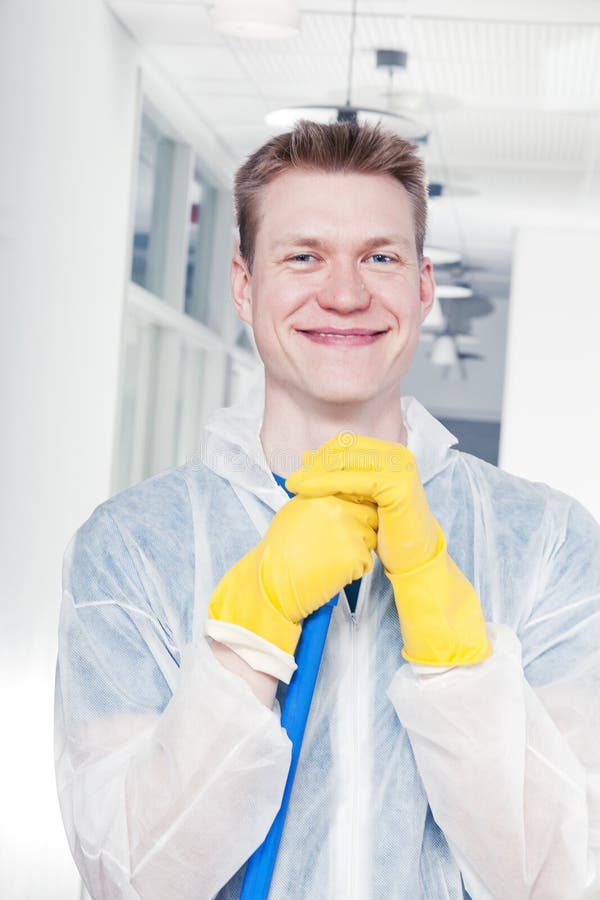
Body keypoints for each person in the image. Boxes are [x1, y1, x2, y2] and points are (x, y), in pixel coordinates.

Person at [55, 121, 600, 900]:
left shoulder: (551, 546)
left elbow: (562, 878)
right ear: (244, 284)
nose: (345, 294)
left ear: (422, 287)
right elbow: (129, 879)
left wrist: (458, 659)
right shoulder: (129, 550)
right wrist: (250, 630)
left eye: (380, 257)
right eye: (303, 256)